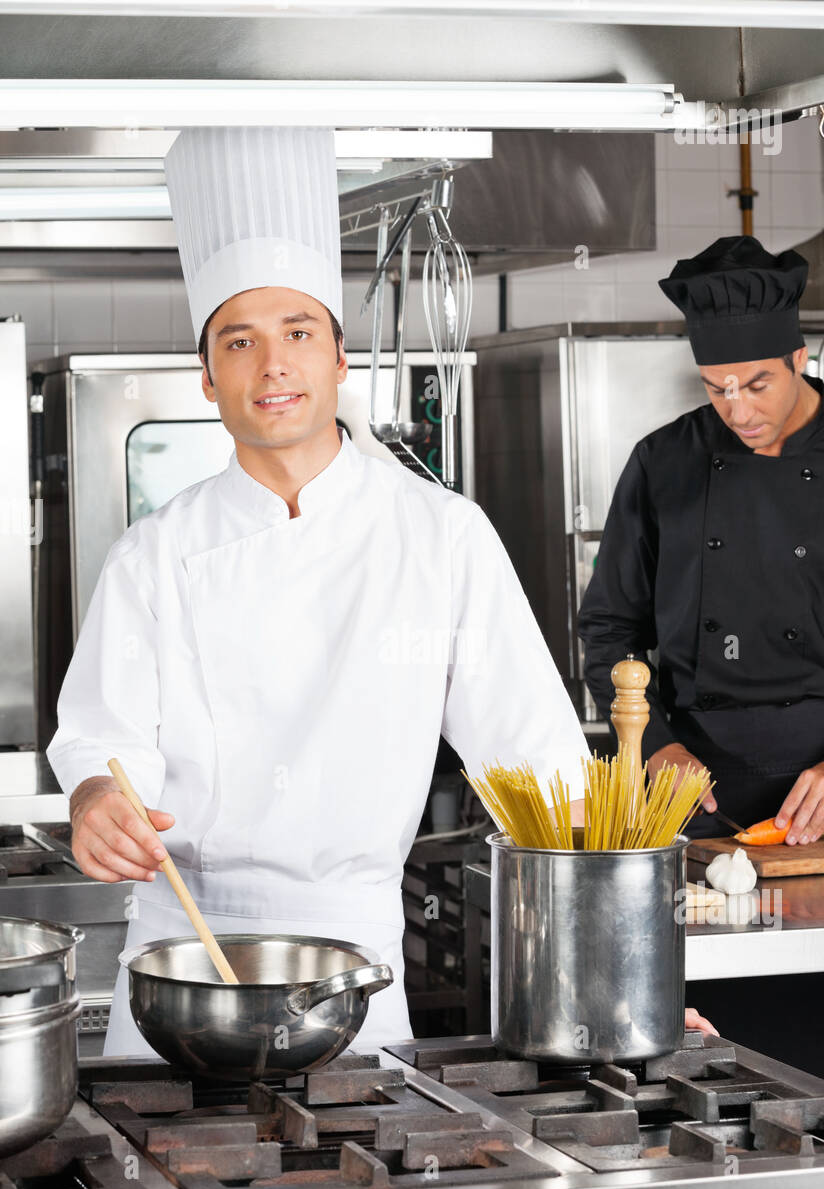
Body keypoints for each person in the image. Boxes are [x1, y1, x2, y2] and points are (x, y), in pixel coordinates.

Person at [46, 126, 597, 1057]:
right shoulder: (152, 555)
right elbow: (105, 746)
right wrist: (98, 795)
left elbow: (543, 779)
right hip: (182, 955)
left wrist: (622, 978)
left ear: (339, 360)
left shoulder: (442, 537)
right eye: (240, 341)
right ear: (208, 376)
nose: (273, 367)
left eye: (298, 333)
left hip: (350, 972)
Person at [578, 235, 824, 846]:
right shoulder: (663, 462)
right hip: (697, 793)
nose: (737, 410)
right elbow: (608, 631)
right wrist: (656, 745)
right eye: (716, 387)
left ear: (800, 358)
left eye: (757, 385)